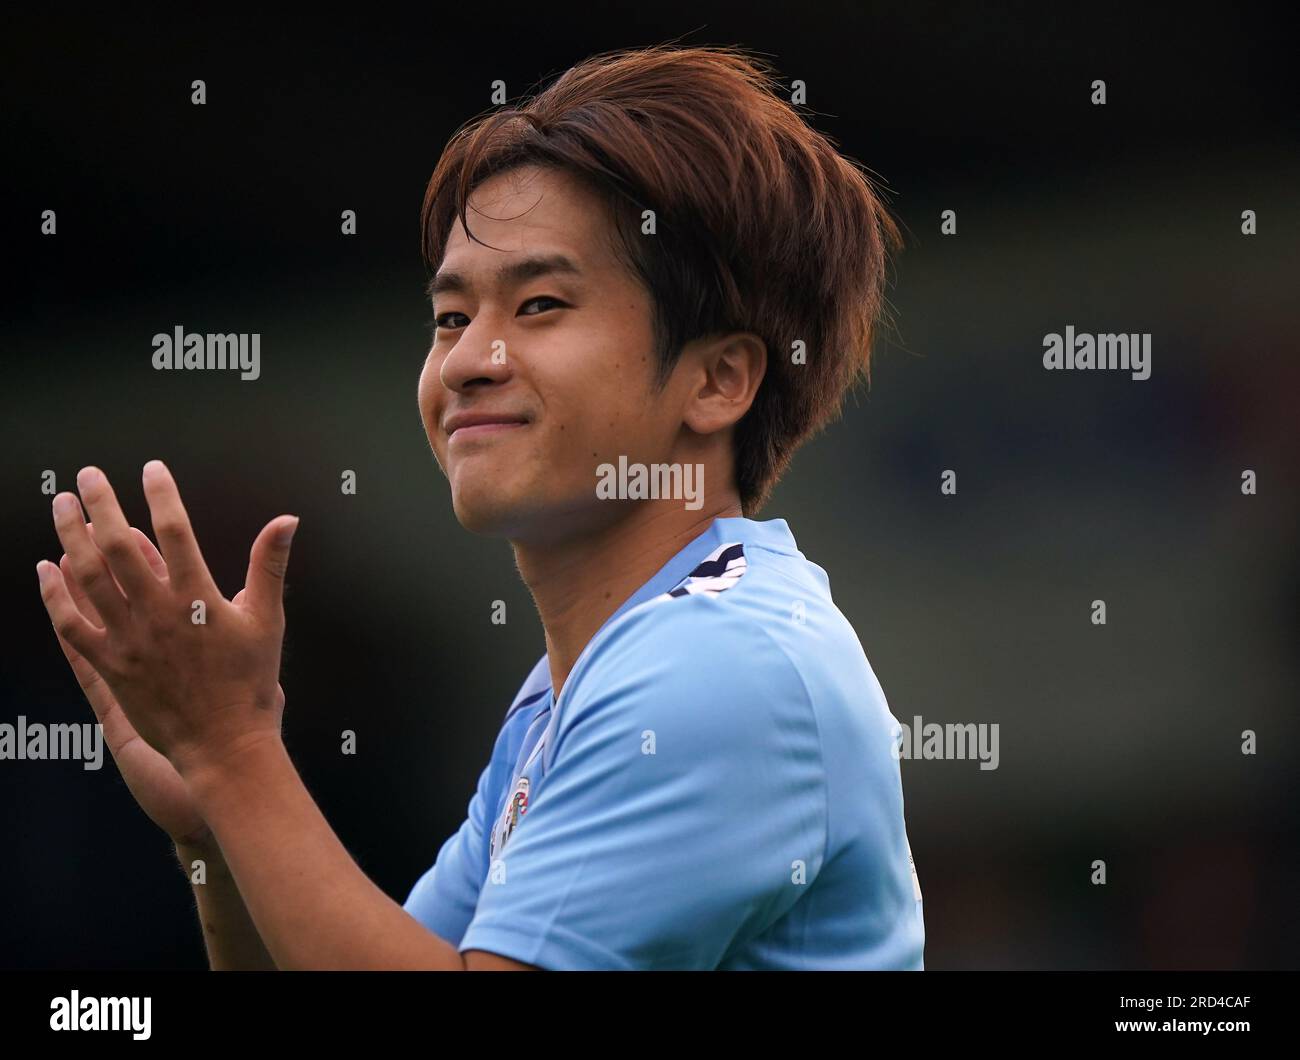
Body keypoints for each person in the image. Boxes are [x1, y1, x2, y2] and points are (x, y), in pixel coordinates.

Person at [35, 43, 923, 970]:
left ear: (718, 380)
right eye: (452, 318)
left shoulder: (720, 668)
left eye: (538, 305)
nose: (466, 362)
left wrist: (232, 752)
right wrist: (214, 827)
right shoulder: (570, 690)